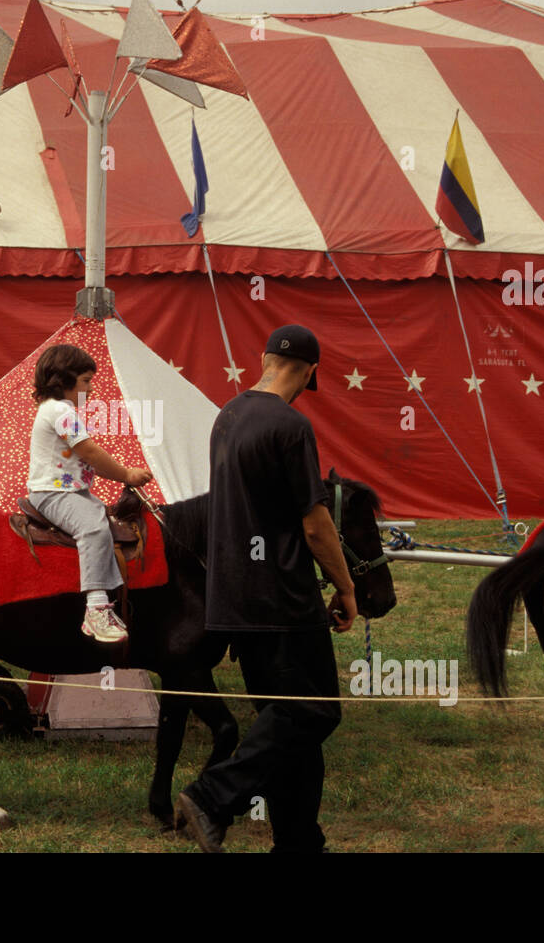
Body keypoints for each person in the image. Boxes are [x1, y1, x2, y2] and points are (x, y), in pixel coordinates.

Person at [175, 323, 358, 853]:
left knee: (285, 728)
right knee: (316, 710)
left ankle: (300, 843)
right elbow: (315, 523)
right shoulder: (291, 425)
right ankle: (213, 795)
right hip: (283, 599)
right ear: (309, 372)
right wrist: (346, 588)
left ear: (263, 358)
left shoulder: (226, 417)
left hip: (234, 597)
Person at [26, 344, 152, 643]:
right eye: (85, 381)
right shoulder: (59, 410)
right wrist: (126, 474)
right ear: (63, 380)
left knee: (103, 519)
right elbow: (91, 452)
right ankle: (95, 609)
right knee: (94, 529)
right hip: (53, 494)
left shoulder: (59, 410)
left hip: (72, 491)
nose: (91, 388)